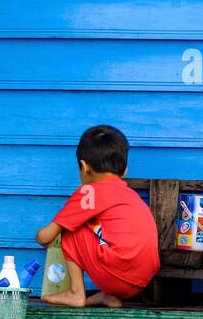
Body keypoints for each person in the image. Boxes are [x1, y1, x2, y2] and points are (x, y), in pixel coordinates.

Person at [35, 125, 160, 308]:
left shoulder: (89, 193)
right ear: (125, 170)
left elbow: (45, 237)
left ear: (84, 167)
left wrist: (39, 235)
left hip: (117, 275)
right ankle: (107, 296)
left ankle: (75, 293)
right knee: (100, 232)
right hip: (142, 281)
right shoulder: (131, 196)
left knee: (69, 227)